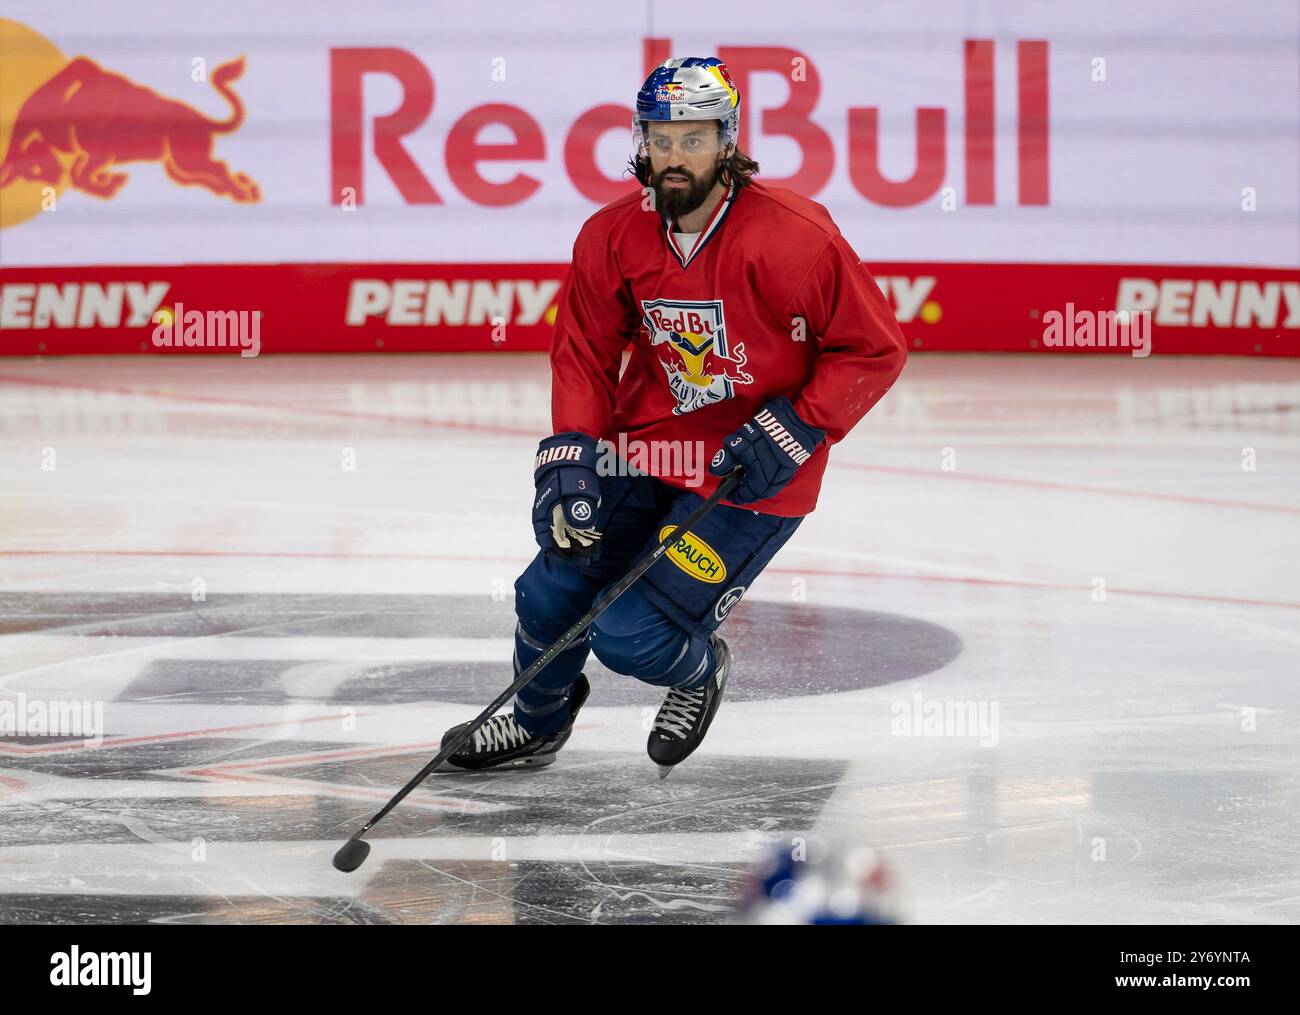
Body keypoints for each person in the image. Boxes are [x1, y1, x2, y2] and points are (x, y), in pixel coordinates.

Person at [440, 56, 906, 775]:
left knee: (632, 632)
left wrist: (800, 424)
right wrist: (570, 454)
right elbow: (587, 354)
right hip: (648, 448)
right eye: (661, 138)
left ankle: (698, 671)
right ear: (641, 141)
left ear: (728, 141)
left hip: (753, 475)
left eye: (694, 138)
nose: (675, 155)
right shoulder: (610, 236)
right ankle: (536, 721)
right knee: (552, 585)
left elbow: (874, 347)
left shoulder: (795, 236)